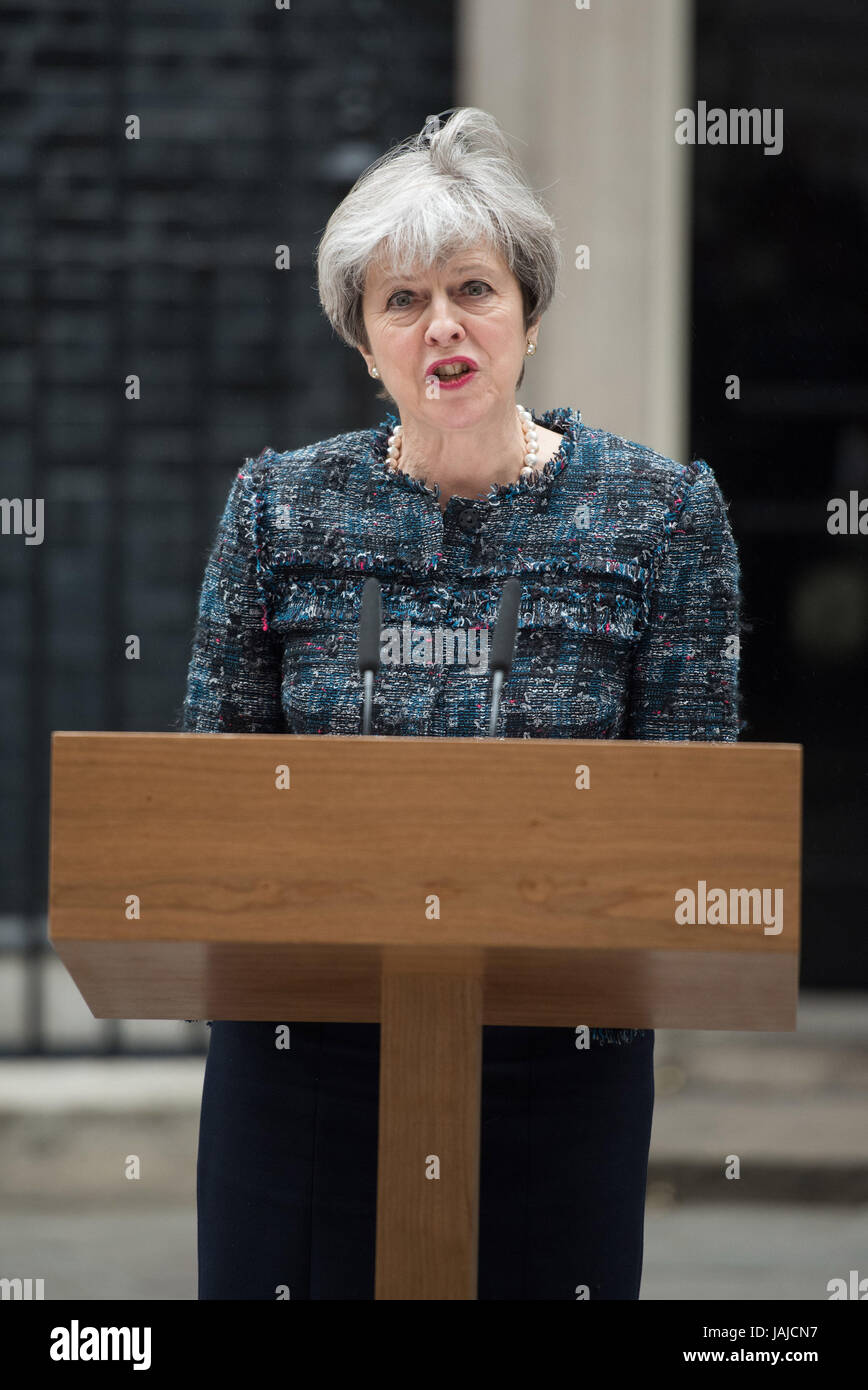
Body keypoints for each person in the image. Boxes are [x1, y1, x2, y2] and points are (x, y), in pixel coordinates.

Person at [178, 107, 743, 1299]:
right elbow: (208, 794)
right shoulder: (279, 510)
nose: (442, 324)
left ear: (528, 315)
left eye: (473, 289)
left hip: (557, 1050)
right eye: (401, 300)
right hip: (307, 1052)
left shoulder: (659, 516)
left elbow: (698, 810)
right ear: (363, 342)